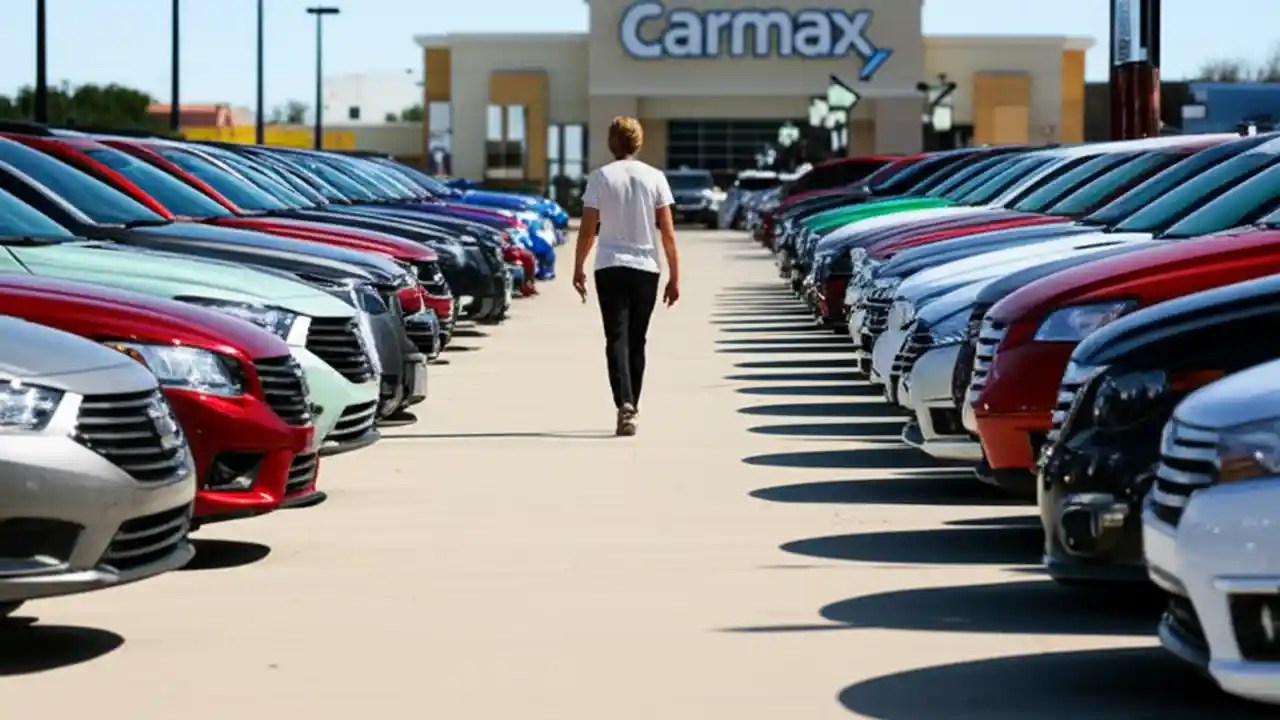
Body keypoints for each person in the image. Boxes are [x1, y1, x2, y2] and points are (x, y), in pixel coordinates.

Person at [572, 116, 680, 437]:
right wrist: (675, 275)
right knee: (638, 340)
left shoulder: (600, 177)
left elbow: (589, 228)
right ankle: (633, 403)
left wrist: (578, 265)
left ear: (612, 143)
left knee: (616, 338)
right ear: (639, 142)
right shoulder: (655, 178)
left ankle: (625, 403)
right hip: (646, 268)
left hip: (610, 266)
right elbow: (668, 232)